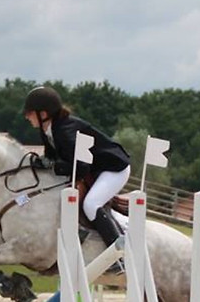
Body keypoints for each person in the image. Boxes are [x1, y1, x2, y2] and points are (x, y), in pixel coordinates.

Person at [22, 86, 131, 271]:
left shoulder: (65, 131)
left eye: (29, 113)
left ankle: (119, 258)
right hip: (93, 170)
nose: (26, 117)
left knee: (91, 205)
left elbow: (80, 167)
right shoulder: (48, 129)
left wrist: (52, 165)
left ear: (43, 113)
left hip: (113, 168)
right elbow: (55, 158)